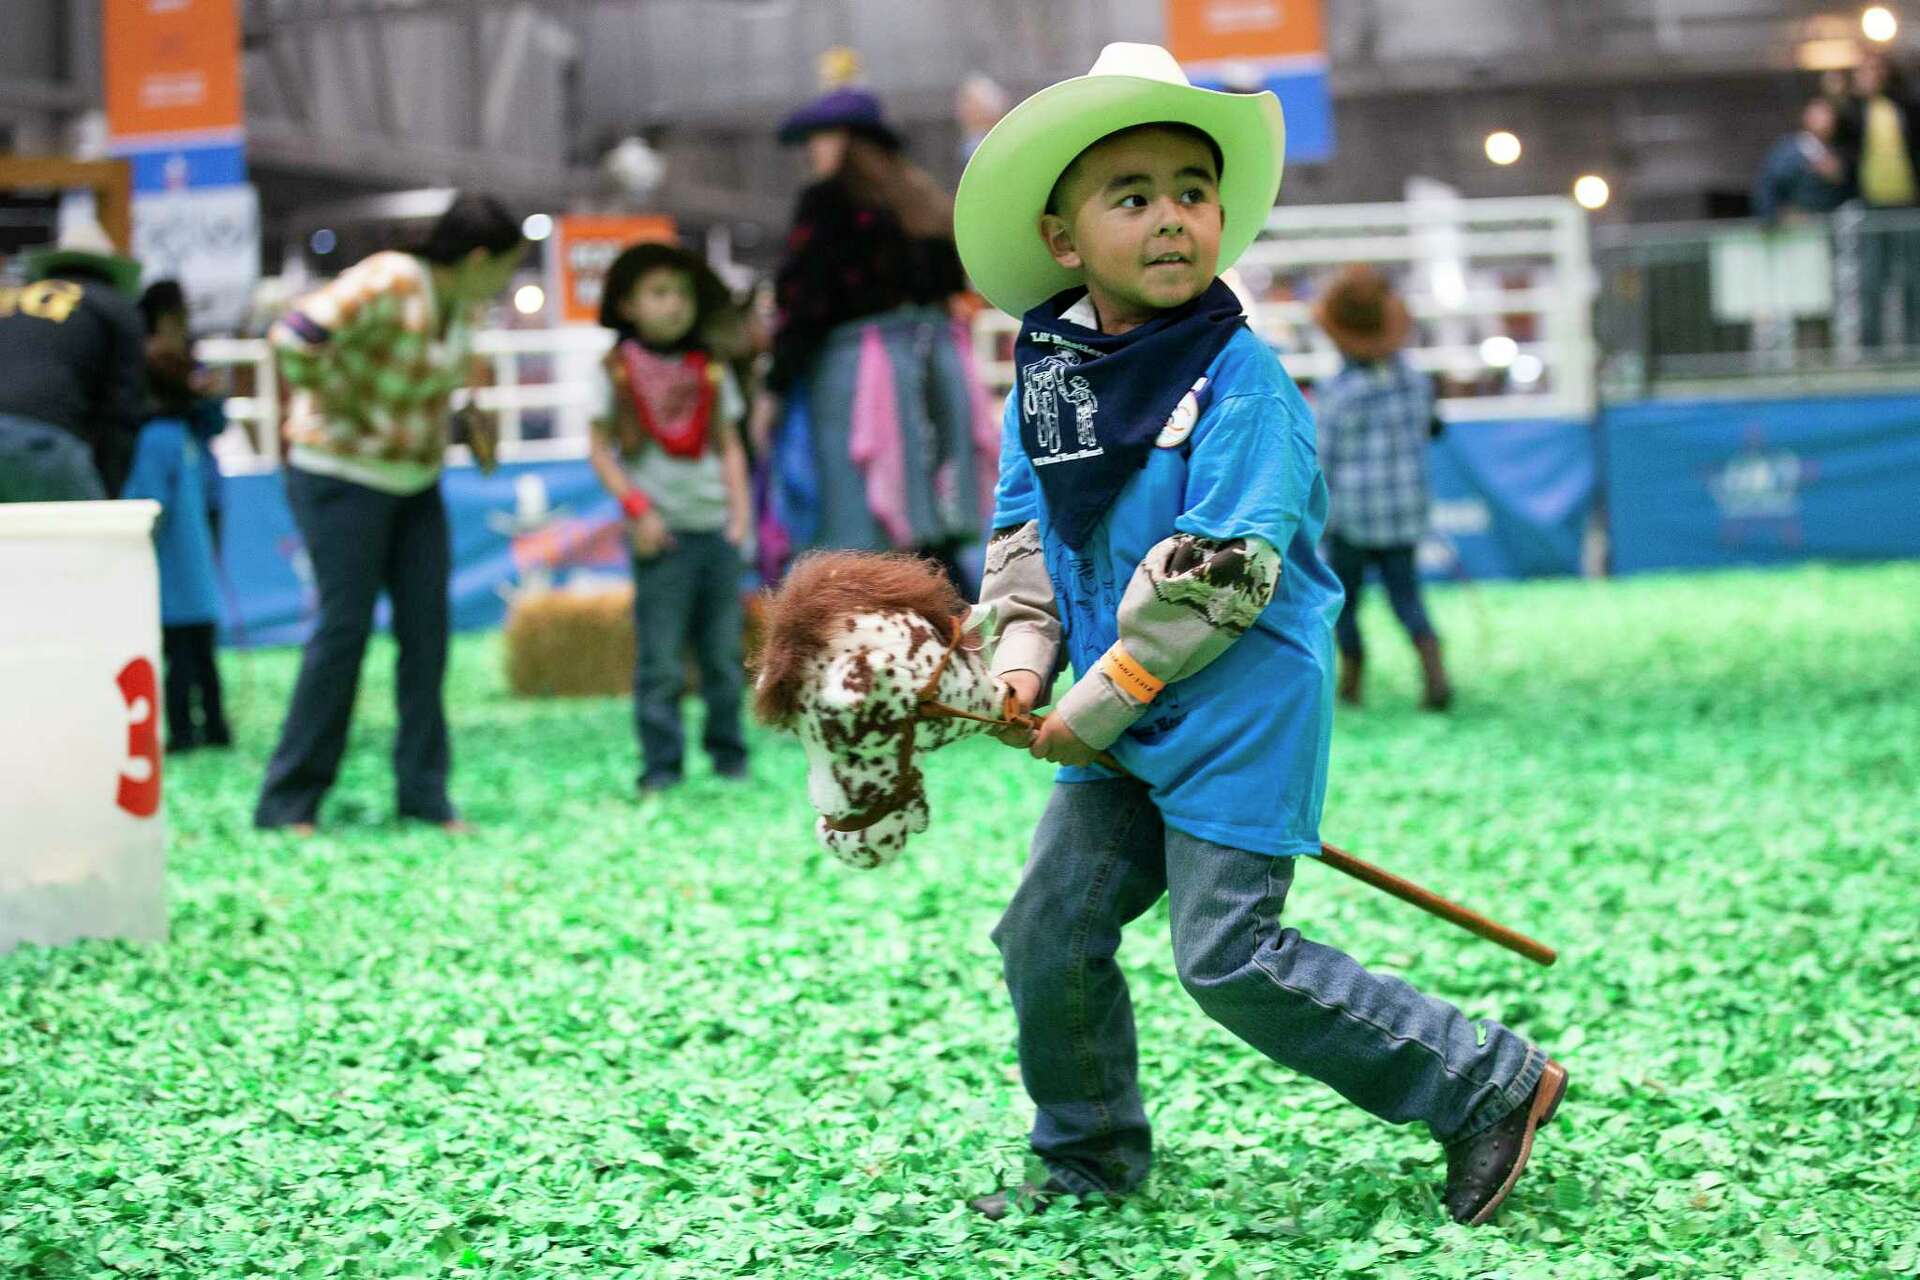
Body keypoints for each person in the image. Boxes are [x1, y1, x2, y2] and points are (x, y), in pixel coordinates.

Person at [957, 43, 1564, 1227]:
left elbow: (1223, 578)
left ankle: (1488, 1078)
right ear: (1065, 237)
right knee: (1047, 926)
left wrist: (1097, 699)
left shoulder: (1244, 385)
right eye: (1131, 196)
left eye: (1192, 190)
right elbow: (1025, 529)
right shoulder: (1052, 382)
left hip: (1234, 706)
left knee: (1227, 954)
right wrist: (1025, 657)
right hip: (1119, 721)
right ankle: (1087, 1149)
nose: (1173, 218)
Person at [253, 193, 528, 833]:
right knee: (343, 632)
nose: (507, 280)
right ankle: (288, 802)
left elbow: (426, 378)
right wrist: (349, 403)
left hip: (415, 481)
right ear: (480, 256)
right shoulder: (390, 277)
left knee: (427, 637)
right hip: (339, 473)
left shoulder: (462, 306)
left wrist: (466, 417)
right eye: (505, 265)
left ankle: (424, 795)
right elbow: (293, 337)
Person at [757, 82, 991, 588]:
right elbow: (952, 283)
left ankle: (869, 627)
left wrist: (775, 388)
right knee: (932, 502)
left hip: (861, 373)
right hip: (936, 363)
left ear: (845, 142)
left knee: (861, 512)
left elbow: (805, 300)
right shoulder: (921, 200)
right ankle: (951, 620)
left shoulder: (827, 205)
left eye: (820, 139)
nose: (812, 153)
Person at [587, 242, 753, 792]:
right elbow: (598, 449)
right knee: (659, 659)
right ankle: (661, 765)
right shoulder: (614, 373)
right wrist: (638, 509)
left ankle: (729, 754)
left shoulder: (709, 371)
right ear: (628, 304)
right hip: (660, 535)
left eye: (681, 293)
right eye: (658, 293)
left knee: (725, 656)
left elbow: (731, 444)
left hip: (715, 529)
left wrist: (740, 514)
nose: (673, 304)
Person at [1312, 264, 1453, 711]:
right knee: (1406, 596)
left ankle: (1352, 677)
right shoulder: (1416, 383)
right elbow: (1431, 428)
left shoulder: (1338, 392)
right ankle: (1432, 664)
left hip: (1350, 517)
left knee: (1345, 602)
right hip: (1404, 514)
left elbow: (1322, 458)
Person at [0, 222, 145, 501]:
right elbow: (121, 412)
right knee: (91, 542)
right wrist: (109, 496)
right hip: (44, 444)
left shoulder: (11, 301)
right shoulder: (113, 306)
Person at [121, 399, 229, 753]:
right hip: (197, 568)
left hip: (173, 572)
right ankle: (216, 729)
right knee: (203, 657)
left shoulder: (157, 438)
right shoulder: (189, 435)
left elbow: (147, 503)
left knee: (179, 659)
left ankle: (182, 734)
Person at [1838, 53, 1920, 347]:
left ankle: (1914, 343)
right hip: (1872, 207)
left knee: (1913, 278)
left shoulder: (1905, 108)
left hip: (1908, 205)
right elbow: (1843, 151)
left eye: (1874, 70)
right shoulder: (1853, 112)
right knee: (1872, 278)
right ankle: (1871, 346)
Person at [140, 281, 228, 551]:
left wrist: (209, 396)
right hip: (158, 485)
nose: (181, 324)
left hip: (203, 486)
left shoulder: (194, 364)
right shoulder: (136, 363)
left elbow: (217, 424)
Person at [1753, 98, 1849, 225]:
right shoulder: (1788, 151)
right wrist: (1773, 216)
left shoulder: (1835, 153)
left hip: (1826, 226)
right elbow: (1767, 186)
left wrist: (1838, 175)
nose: (1827, 120)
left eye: (1830, 115)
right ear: (1807, 118)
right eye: (1821, 115)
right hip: (1793, 230)